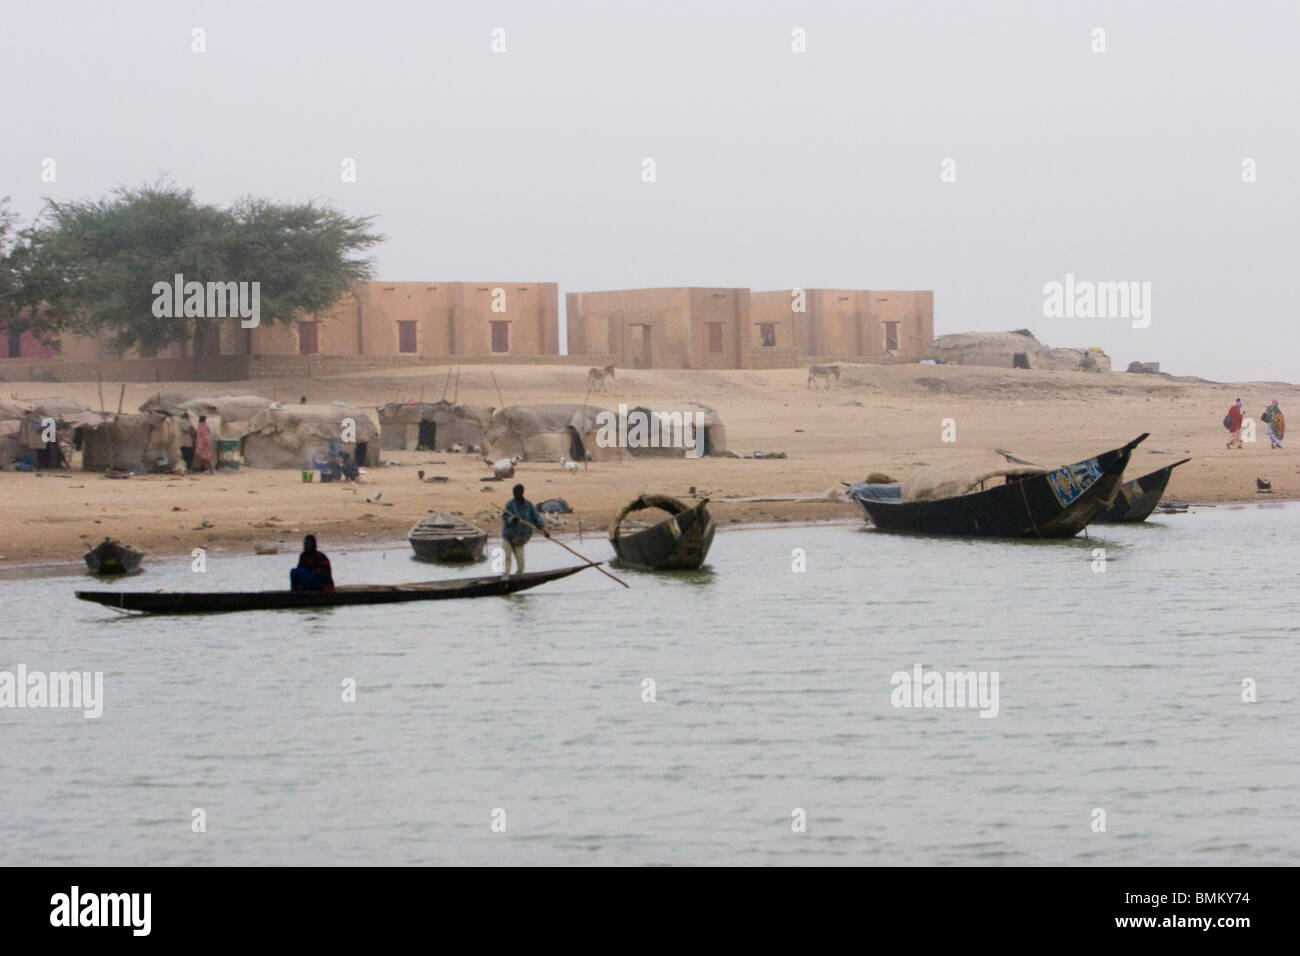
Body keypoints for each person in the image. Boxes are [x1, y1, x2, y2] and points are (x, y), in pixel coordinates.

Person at [501, 483, 547, 579]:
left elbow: (537, 518)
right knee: (507, 558)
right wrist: (512, 520)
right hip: (508, 537)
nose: (514, 495)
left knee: (521, 562)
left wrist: (544, 530)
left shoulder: (528, 506)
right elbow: (505, 517)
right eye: (514, 493)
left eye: (516, 493)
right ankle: (505, 579)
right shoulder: (510, 504)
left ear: (521, 493)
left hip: (521, 539)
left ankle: (519, 577)